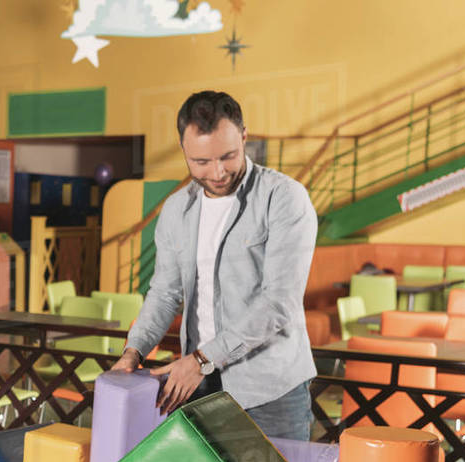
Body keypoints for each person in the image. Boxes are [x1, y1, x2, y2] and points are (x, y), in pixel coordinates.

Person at [111, 90, 318, 440]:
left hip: (270, 392)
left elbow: (278, 303)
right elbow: (164, 293)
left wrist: (201, 360)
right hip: (197, 387)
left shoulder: (283, 198)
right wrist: (134, 351)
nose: (218, 172)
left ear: (244, 136)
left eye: (228, 156)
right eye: (201, 162)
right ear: (184, 150)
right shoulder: (176, 210)